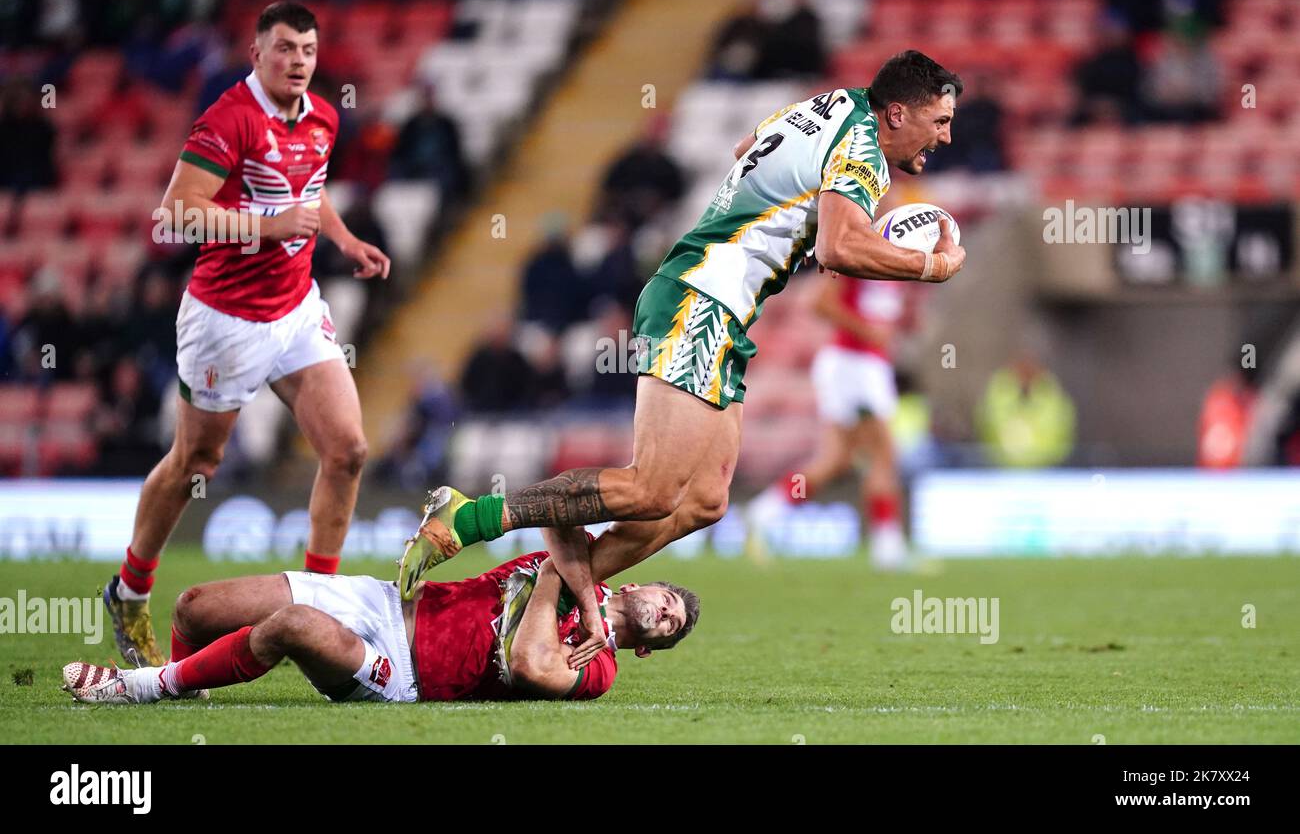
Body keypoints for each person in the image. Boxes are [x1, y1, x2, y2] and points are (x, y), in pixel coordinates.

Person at [399, 51, 967, 655]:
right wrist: (929, 266)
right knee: (651, 490)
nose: (947, 135)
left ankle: (556, 590)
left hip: (719, 304)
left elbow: (749, 145)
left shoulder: (832, 104)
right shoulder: (863, 149)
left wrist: (789, 220)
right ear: (898, 113)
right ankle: (470, 518)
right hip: (703, 298)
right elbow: (837, 249)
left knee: (703, 501)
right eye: (939, 121)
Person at [105, 1, 391, 668]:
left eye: (309, 50)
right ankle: (129, 589)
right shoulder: (228, 118)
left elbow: (309, 193)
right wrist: (269, 226)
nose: (299, 62)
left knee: (348, 450)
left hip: (293, 310)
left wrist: (345, 240)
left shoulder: (322, 116)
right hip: (224, 321)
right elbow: (176, 214)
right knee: (194, 464)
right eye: (286, 48)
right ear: (257, 53)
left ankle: (316, 604)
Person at [63, 533, 699, 705]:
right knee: (195, 606)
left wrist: (557, 582)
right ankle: (184, 683)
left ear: (650, 648)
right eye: (669, 601)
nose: (665, 614)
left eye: (670, 627)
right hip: (388, 603)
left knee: (293, 625)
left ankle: (140, 686)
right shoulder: (580, 566)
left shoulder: (603, 667)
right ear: (639, 581)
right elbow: (566, 509)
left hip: (403, 675)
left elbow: (533, 666)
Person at [749, 275, 915, 570]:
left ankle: (765, 511)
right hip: (857, 365)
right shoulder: (860, 259)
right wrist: (867, 331)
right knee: (883, 454)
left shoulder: (894, 263)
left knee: (836, 459)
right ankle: (887, 548)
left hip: (858, 365)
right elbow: (820, 302)